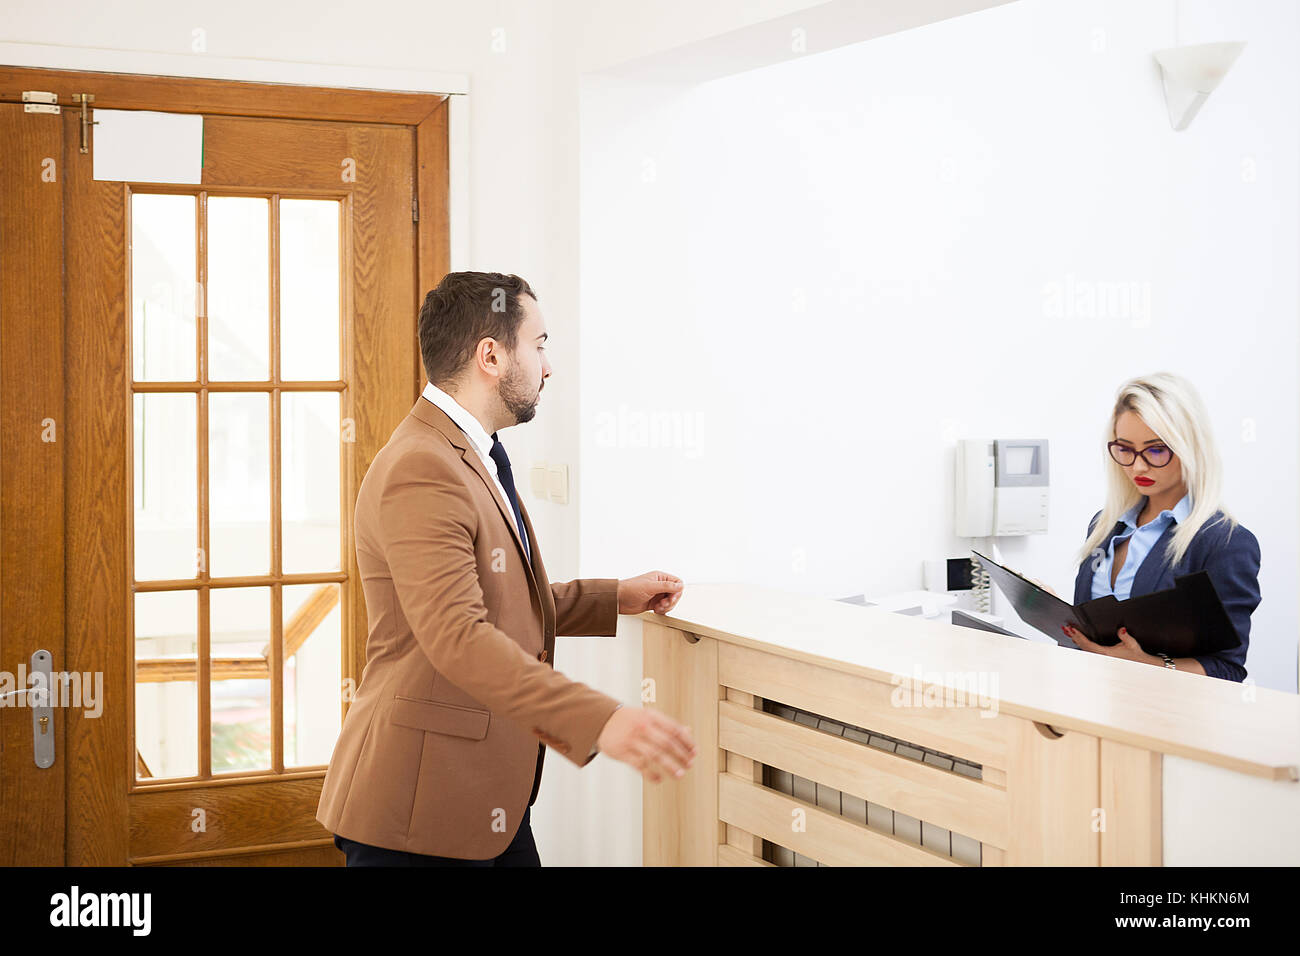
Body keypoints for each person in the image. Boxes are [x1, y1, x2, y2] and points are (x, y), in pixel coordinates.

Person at [317, 271, 696, 865]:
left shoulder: (471, 451)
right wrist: (599, 720)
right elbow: (458, 635)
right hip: (418, 808)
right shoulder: (423, 467)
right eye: (539, 344)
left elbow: (498, 596)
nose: (548, 367)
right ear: (490, 355)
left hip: (482, 799)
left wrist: (612, 596)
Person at [1063, 373, 1260, 681]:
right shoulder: (1104, 526)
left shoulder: (1223, 542)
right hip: (1092, 704)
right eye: (1125, 449)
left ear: (1189, 448)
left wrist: (1149, 666)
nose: (1138, 466)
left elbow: (1227, 670)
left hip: (1167, 719)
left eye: (1156, 450)